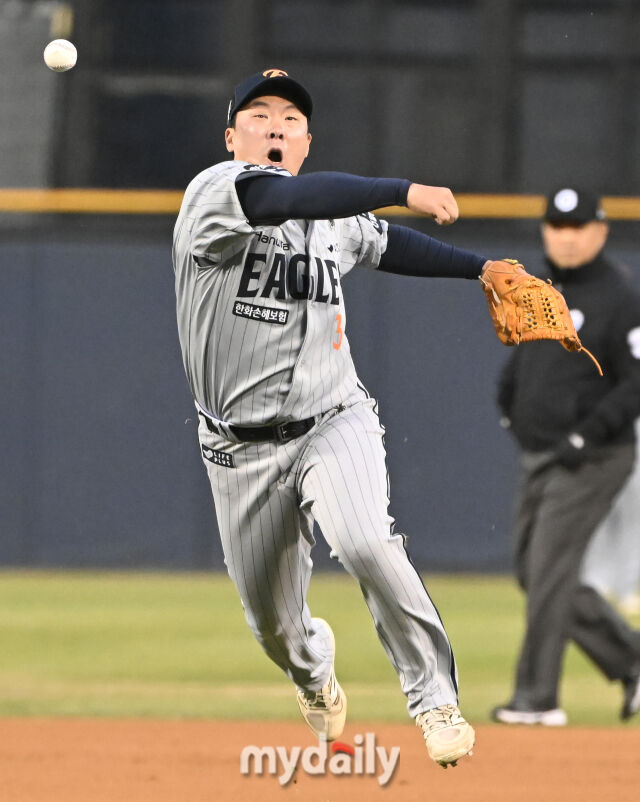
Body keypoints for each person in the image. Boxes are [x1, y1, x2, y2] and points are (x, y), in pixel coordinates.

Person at [172, 67, 519, 767]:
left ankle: (433, 698)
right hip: (239, 452)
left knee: (364, 541)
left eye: (291, 119)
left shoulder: (332, 219)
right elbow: (294, 198)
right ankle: (313, 671)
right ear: (232, 135)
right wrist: (401, 190)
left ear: (306, 141)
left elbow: (391, 245)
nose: (275, 125)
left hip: (334, 419)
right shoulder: (214, 194)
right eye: (260, 114)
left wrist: (480, 270)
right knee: (274, 629)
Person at [492, 187, 640, 725]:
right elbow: (524, 362)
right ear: (545, 232)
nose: (567, 236)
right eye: (557, 226)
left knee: (549, 568)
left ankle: (537, 698)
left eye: (578, 227)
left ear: (601, 232)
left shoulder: (620, 295)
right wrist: (509, 402)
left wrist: (587, 433)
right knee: (533, 572)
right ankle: (632, 659)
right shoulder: (537, 291)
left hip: (596, 456)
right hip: (541, 452)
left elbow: (635, 382)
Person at [581, 417, 640, 616]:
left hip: (634, 426)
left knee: (636, 516)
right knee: (596, 513)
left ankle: (627, 588)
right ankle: (595, 584)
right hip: (598, 425)